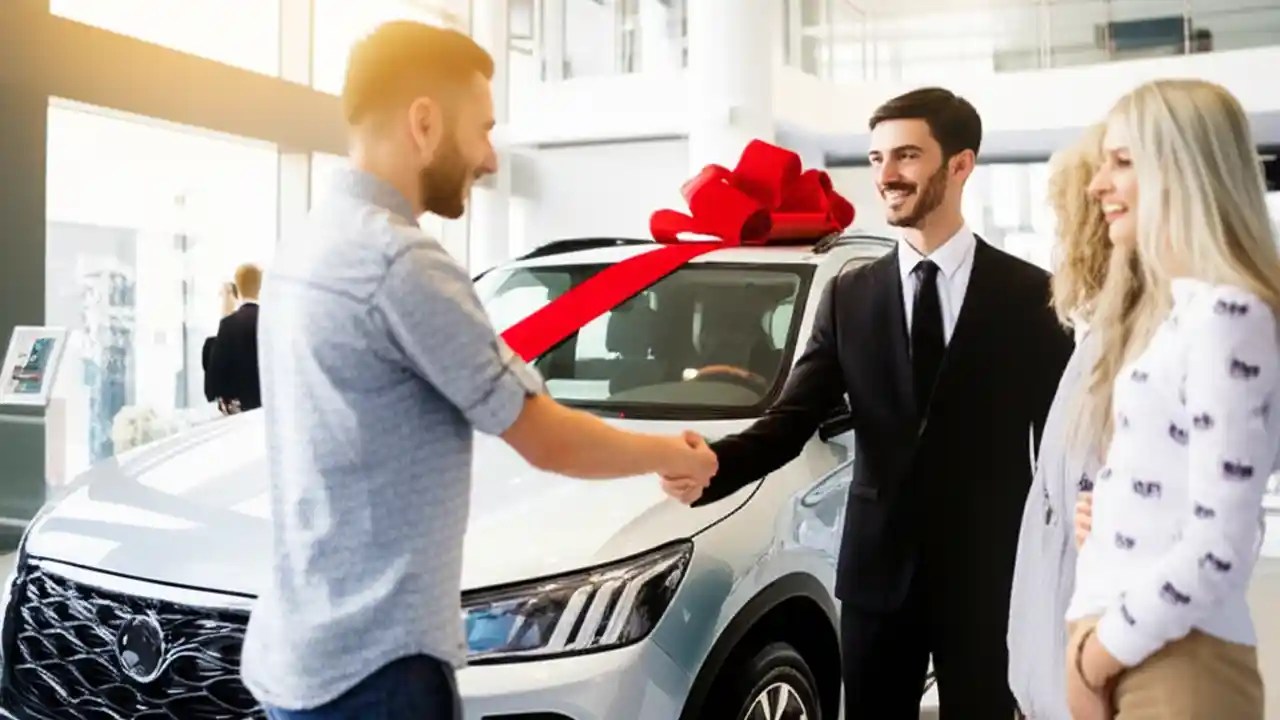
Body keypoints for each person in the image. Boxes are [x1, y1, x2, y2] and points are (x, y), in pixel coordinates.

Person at [239, 21, 717, 720]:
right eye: (484, 128)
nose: (491, 158)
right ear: (425, 123)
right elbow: (544, 437)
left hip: (300, 654)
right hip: (379, 670)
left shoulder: (305, 247)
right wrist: (673, 453)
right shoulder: (400, 259)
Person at [663, 87, 1075, 718]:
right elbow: (794, 417)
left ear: (960, 165)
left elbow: (1063, 441)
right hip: (877, 576)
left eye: (906, 156)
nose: (886, 175)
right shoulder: (851, 296)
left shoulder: (1030, 296)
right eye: (878, 157)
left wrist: (1081, 553)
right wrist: (714, 465)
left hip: (990, 574)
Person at [1064, 78, 1280, 720]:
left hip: (1171, 662)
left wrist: (1096, 655)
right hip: (1145, 650)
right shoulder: (1182, 316)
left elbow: (1222, 542)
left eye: (1122, 162)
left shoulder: (1228, 313)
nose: (1097, 184)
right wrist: (1112, 518)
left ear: (1183, 170)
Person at [1006, 122, 1149, 719]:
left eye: (1068, 222)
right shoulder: (1100, 337)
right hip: (1053, 660)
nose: (1062, 240)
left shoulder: (1141, 340)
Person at [206, 264, 264, 413]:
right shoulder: (272, 321)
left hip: (241, 411)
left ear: (237, 289)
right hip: (267, 406)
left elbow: (215, 380)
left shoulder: (228, 324)